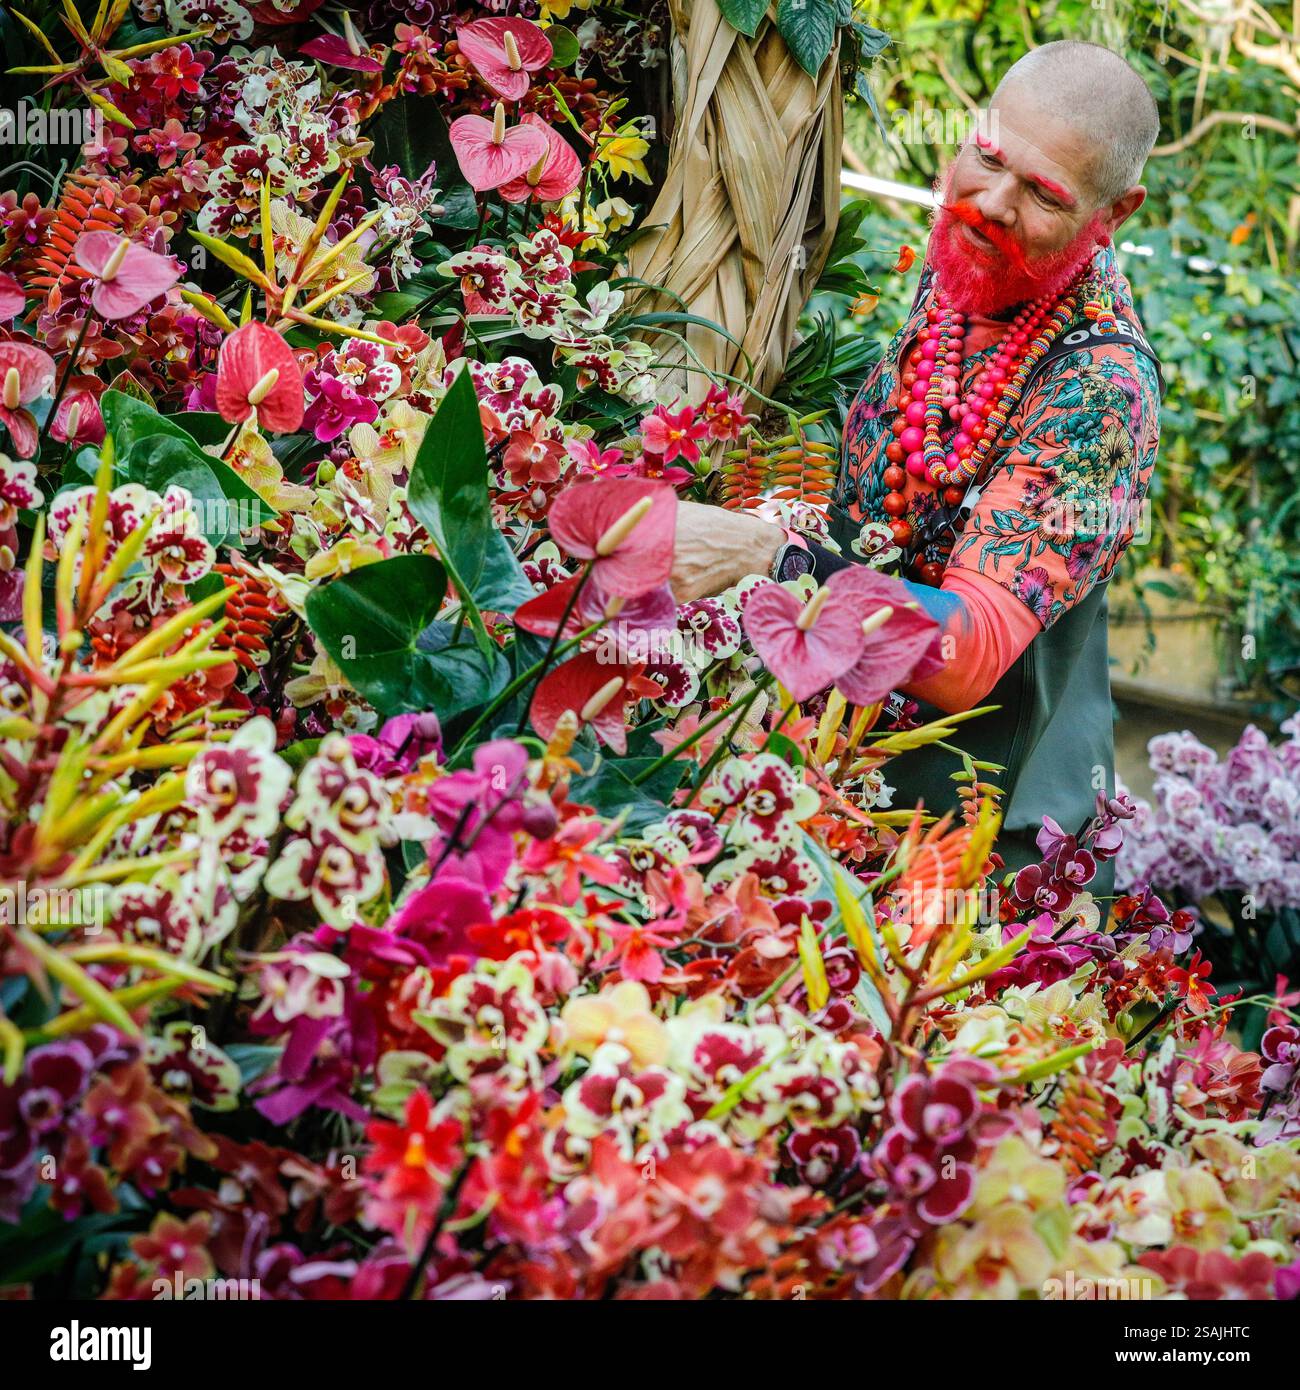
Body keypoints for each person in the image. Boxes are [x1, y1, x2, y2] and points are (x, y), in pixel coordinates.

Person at [668, 40, 1164, 896]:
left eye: (1044, 194)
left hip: (970, 858)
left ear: (1113, 213)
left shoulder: (1101, 392)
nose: (992, 205)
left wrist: (769, 557)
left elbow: (967, 651)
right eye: (987, 157)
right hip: (835, 782)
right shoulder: (977, 268)